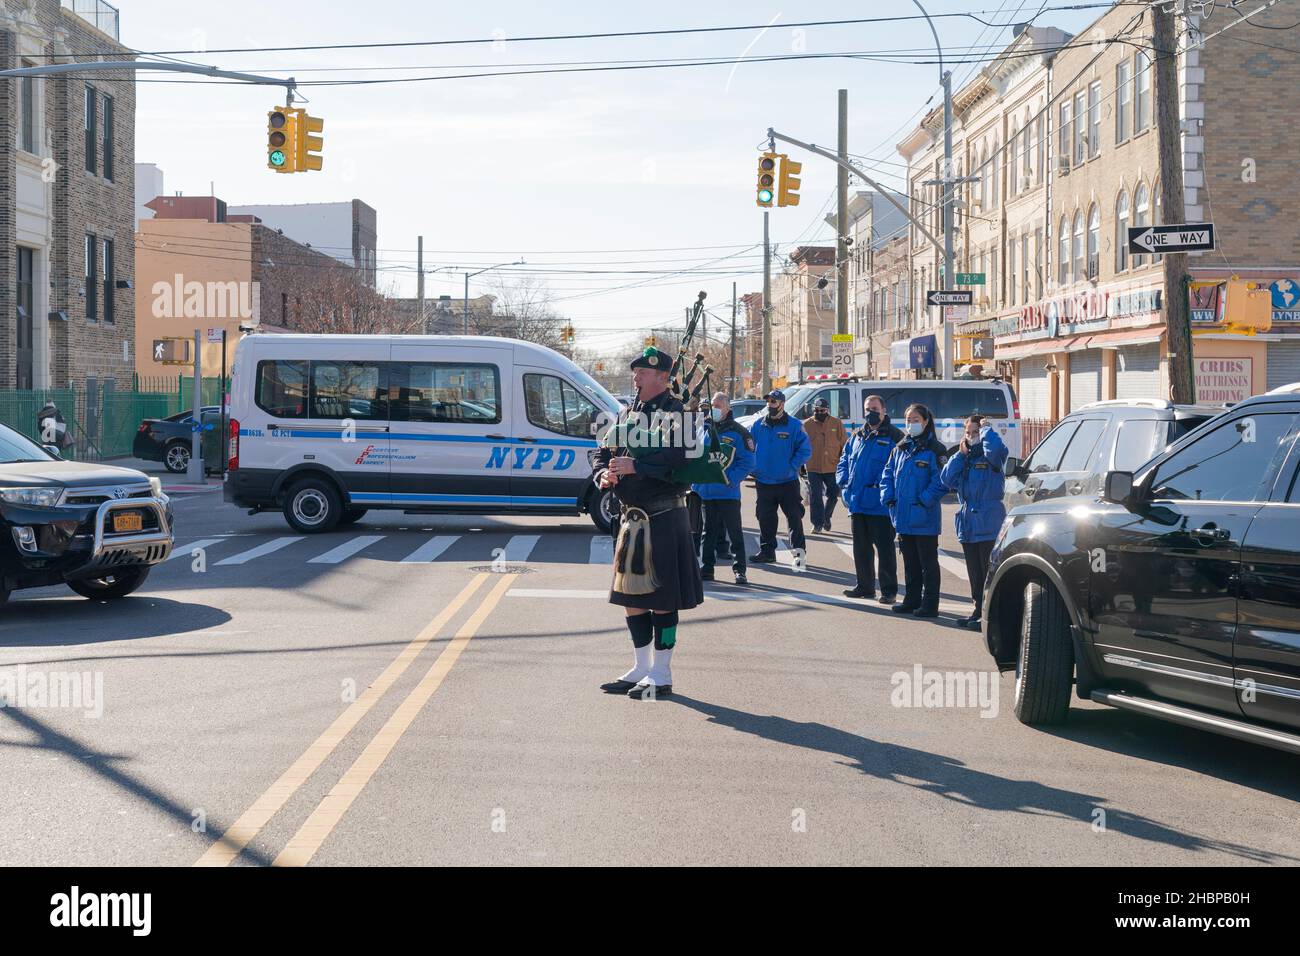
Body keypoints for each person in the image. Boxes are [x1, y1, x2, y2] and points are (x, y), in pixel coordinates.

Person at [595, 347, 703, 700]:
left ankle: (662, 670)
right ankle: (641, 666)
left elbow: (682, 459)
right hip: (630, 516)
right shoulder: (628, 412)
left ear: (663, 377)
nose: (636, 377)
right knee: (633, 596)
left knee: (662, 598)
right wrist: (603, 475)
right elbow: (604, 451)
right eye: (636, 372)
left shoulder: (678, 413)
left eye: (642, 372)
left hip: (663, 514)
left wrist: (638, 467)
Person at [880, 403, 948, 618]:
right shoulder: (901, 447)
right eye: (908, 420)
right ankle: (911, 599)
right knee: (910, 563)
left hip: (924, 516)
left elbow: (941, 482)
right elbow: (887, 474)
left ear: (926, 422)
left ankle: (930, 604)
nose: (911, 424)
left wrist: (924, 500)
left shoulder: (935, 450)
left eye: (916, 420)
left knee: (928, 564)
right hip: (902, 516)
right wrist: (888, 497)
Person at [941, 414, 1008, 629]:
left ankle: (990, 615)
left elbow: (995, 450)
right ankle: (977, 610)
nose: (971, 437)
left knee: (988, 571)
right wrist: (960, 455)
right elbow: (946, 479)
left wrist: (987, 430)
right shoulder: (966, 459)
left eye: (975, 432)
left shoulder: (992, 457)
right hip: (968, 522)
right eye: (968, 433)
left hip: (988, 521)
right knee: (974, 572)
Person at [836, 394, 903, 602]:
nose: (870, 413)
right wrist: (844, 485)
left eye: (874, 408)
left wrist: (887, 494)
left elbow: (897, 469)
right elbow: (844, 461)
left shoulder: (894, 436)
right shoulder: (857, 435)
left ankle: (889, 590)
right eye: (867, 409)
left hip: (879, 505)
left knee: (885, 550)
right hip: (857, 502)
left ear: (884, 411)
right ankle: (865, 586)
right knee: (861, 549)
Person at [694, 393, 756, 585]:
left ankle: (740, 570)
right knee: (708, 533)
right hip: (707, 492)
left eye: (718, 405)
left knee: (735, 532)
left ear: (728, 408)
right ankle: (707, 568)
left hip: (728, 492)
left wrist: (731, 479)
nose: (714, 408)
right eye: (713, 405)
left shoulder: (739, 432)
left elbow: (747, 462)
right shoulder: (704, 429)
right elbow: (697, 458)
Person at [748, 388, 811, 564]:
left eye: (773, 402)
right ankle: (767, 552)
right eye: (768, 402)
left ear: (782, 404)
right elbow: (749, 448)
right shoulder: (758, 425)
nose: (770, 405)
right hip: (764, 481)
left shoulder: (795, 425)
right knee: (765, 518)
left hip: (787, 482)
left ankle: (799, 555)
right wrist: (753, 468)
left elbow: (805, 450)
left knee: (794, 518)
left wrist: (791, 467)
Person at [801, 396, 847, 533]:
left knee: (833, 493)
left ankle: (826, 517)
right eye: (817, 410)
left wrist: (844, 463)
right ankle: (817, 524)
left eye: (822, 410)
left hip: (832, 466)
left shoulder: (836, 423)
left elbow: (844, 444)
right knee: (816, 496)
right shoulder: (806, 425)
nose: (819, 413)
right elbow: (801, 445)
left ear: (827, 410)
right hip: (813, 466)